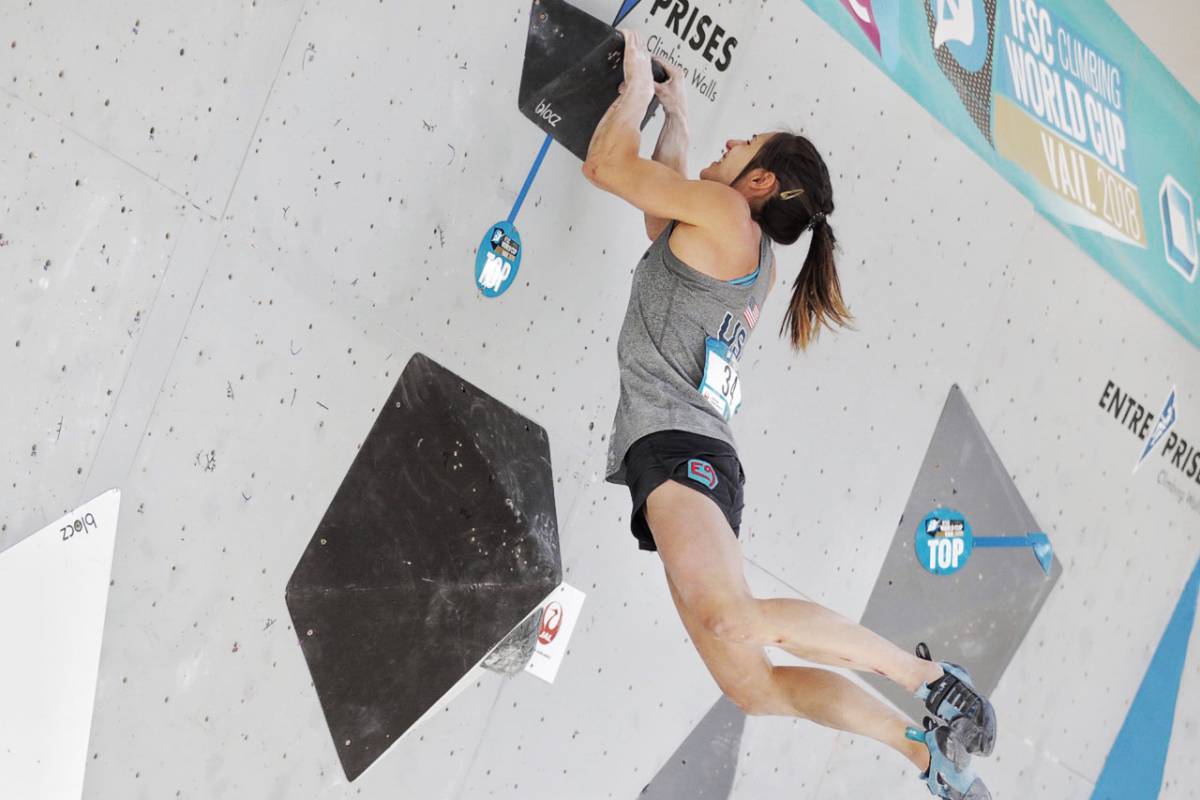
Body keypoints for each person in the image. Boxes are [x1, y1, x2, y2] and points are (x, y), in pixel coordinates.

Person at [581, 29, 995, 800]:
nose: (731, 139)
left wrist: (636, 85)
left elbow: (607, 168)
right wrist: (676, 122)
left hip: (680, 450)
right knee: (755, 688)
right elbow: (655, 215)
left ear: (760, 181)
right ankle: (922, 756)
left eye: (745, 142)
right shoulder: (744, 246)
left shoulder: (729, 223)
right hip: (688, 454)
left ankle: (928, 679)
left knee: (735, 620)